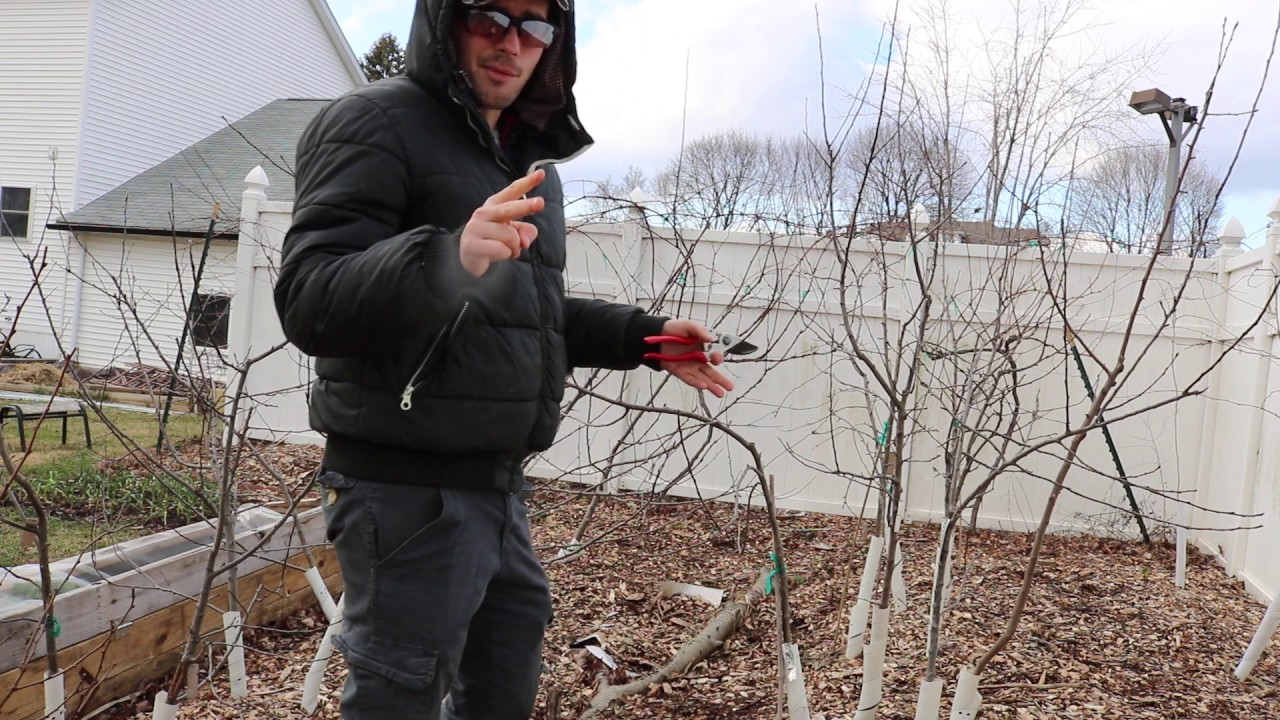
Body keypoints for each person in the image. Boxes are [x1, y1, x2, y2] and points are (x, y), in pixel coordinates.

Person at [272, 0, 735, 717]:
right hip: (402, 491)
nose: (512, 42)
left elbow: (527, 318)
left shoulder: (527, 167)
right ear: (446, 17)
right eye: (490, 14)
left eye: (535, 24)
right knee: (397, 698)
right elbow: (311, 300)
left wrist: (643, 338)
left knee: (503, 685)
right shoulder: (374, 122)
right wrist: (446, 255)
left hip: (495, 489)